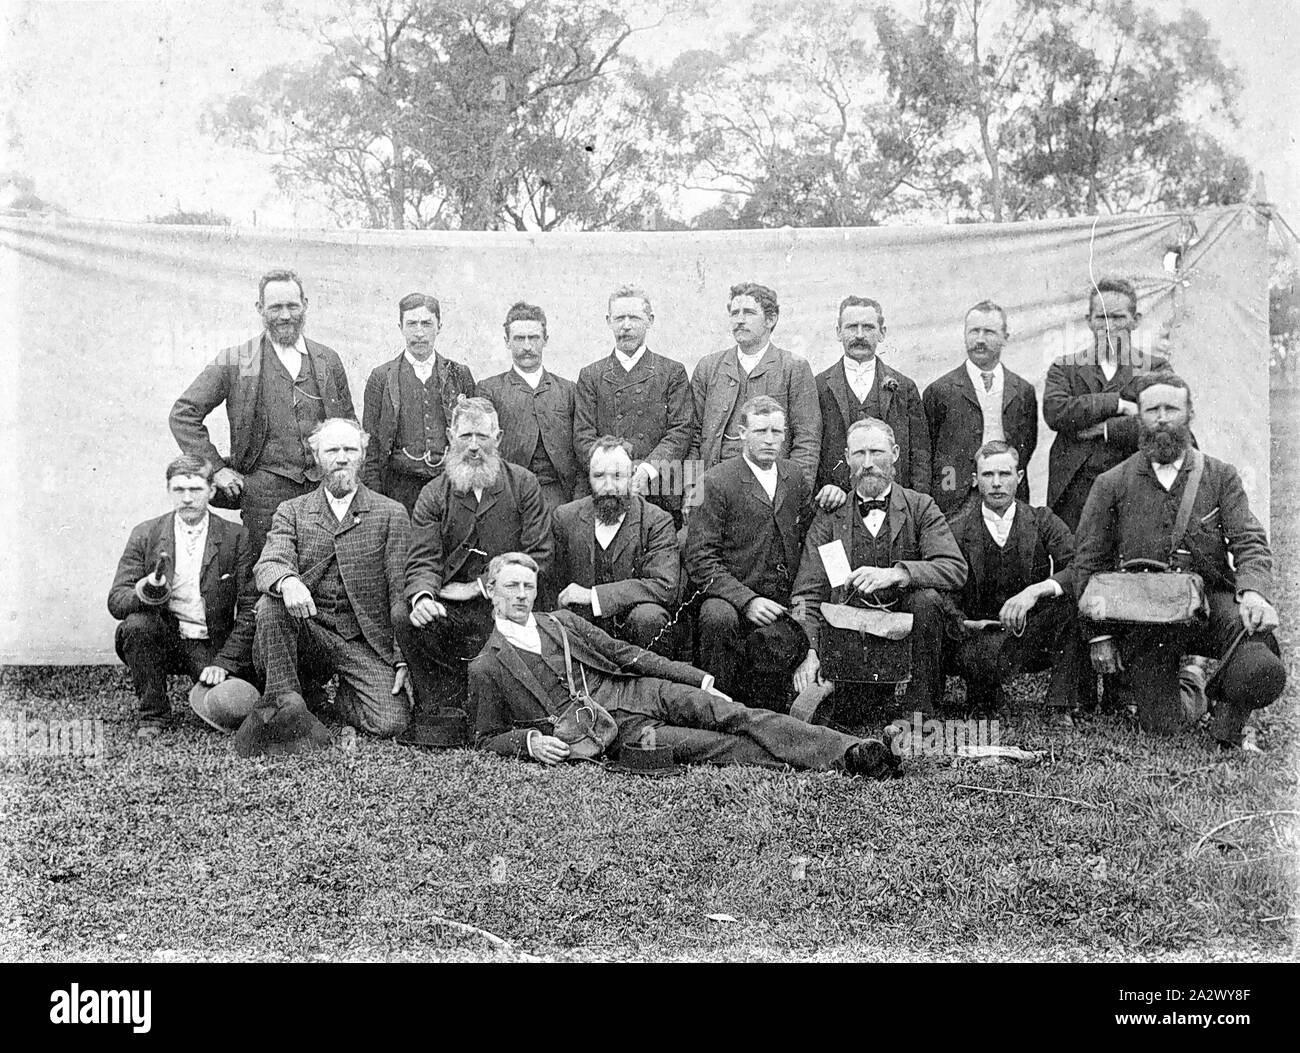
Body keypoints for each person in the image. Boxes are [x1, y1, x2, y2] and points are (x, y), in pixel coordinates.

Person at [471, 553, 901, 778]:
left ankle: (852, 750)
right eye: (511, 586)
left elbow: (628, 655)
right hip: (620, 733)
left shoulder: (560, 622)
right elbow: (486, 736)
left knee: (734, 713)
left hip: (640, 690)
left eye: (528, 585)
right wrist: (529, 742)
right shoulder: (486, 666)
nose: (522, 595)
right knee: (715, 747)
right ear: (491, 591)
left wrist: (698, 678)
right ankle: (838, 762)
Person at [1072, 374, 1285, 750]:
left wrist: (1253, 594)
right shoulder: (1112, 483)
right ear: (1139, 417)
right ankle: (1194, 678)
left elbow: (1249, 540)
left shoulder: (1220, 475)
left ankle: (1228, 726)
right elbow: (1088, 563)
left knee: (1261, 666)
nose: (1163, 418)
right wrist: (1099, 634)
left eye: (1172, 408)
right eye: (1153, 409)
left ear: (1189, 413)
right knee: (1162, 724)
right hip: (1147, 616)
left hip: (1210, 603)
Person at [169, 269, 355, 553]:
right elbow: (183, 414)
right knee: (266, 579)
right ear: (260, 309)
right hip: (263, 497)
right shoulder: (239, 360)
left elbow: (348, 424)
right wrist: (216, 469)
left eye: (292, 306)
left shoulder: (327, 359)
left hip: (323, 492)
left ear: (305, 304)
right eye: (275, 307)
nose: (285, 315)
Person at [791, 418, 967, 716]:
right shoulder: (830, 517)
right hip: (851, 635)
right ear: (847, 458)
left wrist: (897, 574)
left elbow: (954, 568)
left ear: (895, 453)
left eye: (877, 452)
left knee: (927, 600)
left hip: (908, 628)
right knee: (848, 713)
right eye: (859, 454)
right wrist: (809, 651)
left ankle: (920, 709)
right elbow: (805, 594)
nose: (868, 463)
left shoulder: (920, 506)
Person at [252, 418, 412, 738]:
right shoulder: (293, 510)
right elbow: (271, 561)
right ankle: (286, 707)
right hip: (308, 629)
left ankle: (335, 701)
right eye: (333, 450)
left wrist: (400, 659)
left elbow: (400, 590)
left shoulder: (390, 512)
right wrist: (288, 582)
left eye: (350, 449)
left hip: (360, 637)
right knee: (272, 606)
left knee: (392, 722)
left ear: (363, 455)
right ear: (316, 457)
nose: (341, 458)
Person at [402, 396, 552, 718]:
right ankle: (441, 708)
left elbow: (539, 553)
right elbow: (422, 558)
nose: (473, 446)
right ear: (450, 437)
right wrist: (423, 597)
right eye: (465, 436)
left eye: (482, 437)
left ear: (497, 439)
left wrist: (481, 586)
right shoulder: (433, 493)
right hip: (451, 607)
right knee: (406, 615)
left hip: (507, 602)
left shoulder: (523, 484)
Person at [108, 456, 259, 738]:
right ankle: (153, 714)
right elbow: (117, 600)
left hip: (210, 642)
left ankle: (212, 676)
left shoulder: (236, 536)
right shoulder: (145, 534)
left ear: (212, 491)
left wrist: (224, 662)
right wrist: (147, 590)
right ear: (169, 491)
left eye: (196, 490)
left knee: (229, 704)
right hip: (164, 638)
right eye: (179, 490)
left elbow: (251, 608)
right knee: (136, 625)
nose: (187, 498)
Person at [685, 396, 814, 712]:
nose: (770, 440)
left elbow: (809, 534)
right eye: (760, 431)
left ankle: (773, 704)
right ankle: (720, 707)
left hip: (780, 598)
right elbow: (700, 558)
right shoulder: (716, 481)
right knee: (717, 616)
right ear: (741, 433)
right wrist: (746, 600)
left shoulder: (794, 476)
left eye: (777, 432)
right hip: (729, 594)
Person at [942, 442, 1090, 716]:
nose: (997, 483)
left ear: (1019, 477)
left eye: (1005, 474)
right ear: (975, 480)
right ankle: (986, 690)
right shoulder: (956, 528)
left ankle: (1060, 705)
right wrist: (964, 623)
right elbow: (942, 590)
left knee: (1069, 605)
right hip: (979, 634)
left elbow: (1078, 566)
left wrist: (1033, 592)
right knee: (983, 707)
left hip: (1030, 634)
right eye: (988, 475)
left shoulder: (1041, 520)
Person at [1043, 276, 1172, 531]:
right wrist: (1119, 405)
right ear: (1088, 321)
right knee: (1074, 564)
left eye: (1118, 317)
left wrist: (1105, 430)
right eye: (1101, 317)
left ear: (1136, 320)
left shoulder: (1156, 369)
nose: (1109, 326)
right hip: (1075, 493)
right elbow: (1056, 412)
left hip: (1136, 487)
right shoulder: (1064, 367)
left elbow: (1162, 425)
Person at [548, 437, 682, 657]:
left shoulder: (656, 520)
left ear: (632, 476)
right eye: (599, 476)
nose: (608, 486)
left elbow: (664, 586)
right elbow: (555, 584)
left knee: (649, 617)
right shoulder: (566, 517)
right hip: (584, 629)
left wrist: (594, 597)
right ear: (588, 478)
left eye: (618, 476)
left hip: (634, 629)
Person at [573, 284, 695, 527]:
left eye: (634, 318)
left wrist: (646, 470)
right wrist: (616, 473)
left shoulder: (672, 372)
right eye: (619, 318)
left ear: (649, 320)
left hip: (659, 485)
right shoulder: (591, 375)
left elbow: (680, 430)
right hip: (605, 487)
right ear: (609, 321)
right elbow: (583, 435)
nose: (626, 325)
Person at [689, 282, 820, 492]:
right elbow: (693, 437)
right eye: (735, 313)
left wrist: (793, 495)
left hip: (771, 488)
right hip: (715, 487)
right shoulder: (709, 367)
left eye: (749, 312)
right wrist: (693, 491)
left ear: (771, 319)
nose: (739, 320)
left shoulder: (793, 367)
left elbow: (807, 440)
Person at [360, 292, 477, 515]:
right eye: (412, 324)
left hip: (450, 485)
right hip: (399, 489)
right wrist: (376, 498)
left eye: (427, 323)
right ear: (401, 327)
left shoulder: (459, 374)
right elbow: (371, 444)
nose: (420, 333)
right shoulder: (382, 377)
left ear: (439, 326)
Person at [814, 296, 930, 513]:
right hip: (837, 505)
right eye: (851, 327)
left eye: (868, 327)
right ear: (838, 332)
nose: (859, 335)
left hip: (894, 506)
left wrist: (915, 507)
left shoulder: (905, 388)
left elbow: (920, 458)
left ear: (882, 332)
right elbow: (811, 450)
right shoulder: (818, 387)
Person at [923, 301, 1038, 516]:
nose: (980, 340)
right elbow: (928, 450)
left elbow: (1027, 445)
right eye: (974, 331)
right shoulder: (939, 391)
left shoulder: (1023, 391)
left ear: (1006, 337)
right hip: (955, 500)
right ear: (964, 335)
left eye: (990, 332)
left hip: (1006, 496)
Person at [476, 301, 579, 513]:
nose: (527, 346)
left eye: (533, 338)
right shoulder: (490, 389)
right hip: (510, 496)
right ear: (507, 341)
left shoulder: (567, 390)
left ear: (545, 340)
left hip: (559, 497)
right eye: (519, 338)